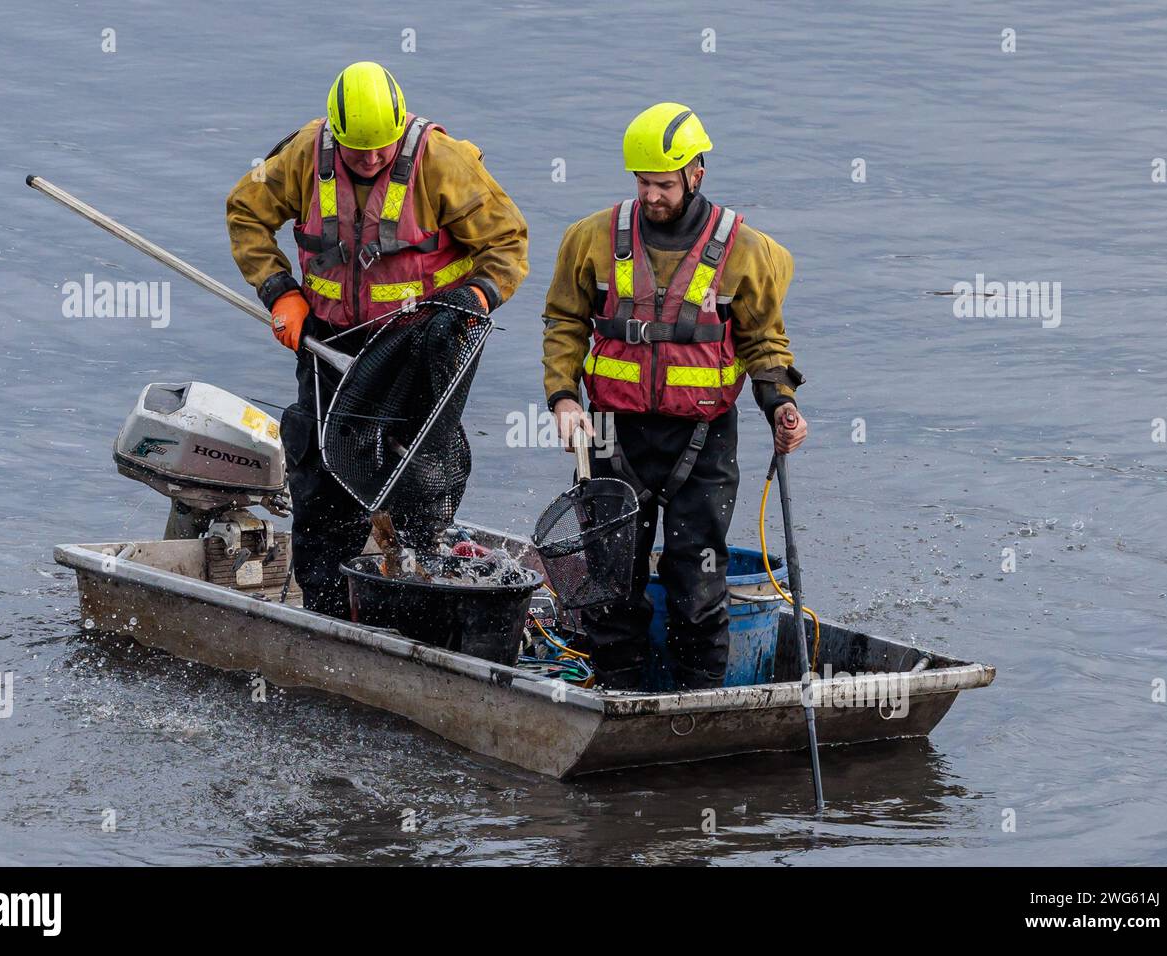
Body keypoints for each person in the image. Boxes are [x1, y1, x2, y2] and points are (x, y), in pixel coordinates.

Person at [226, 61, 529, 615]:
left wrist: (479, 296)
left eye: (380, 150)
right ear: (335, 133)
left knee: (414, 466)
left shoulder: (442, 162)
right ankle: (326, 606)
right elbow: (245, 212)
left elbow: (507, 242)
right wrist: (279, 291)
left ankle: (417, 592)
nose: (369, 161)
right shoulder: (303, 156)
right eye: (357, 151)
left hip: (422, 343)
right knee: (322, 468)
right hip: (330, 338)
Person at [541, 102, 808, 690]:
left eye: (663, 183)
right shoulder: (590, 240)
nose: (652, 195)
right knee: (613, 582)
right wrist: (563, 398)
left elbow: (764, 340)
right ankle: (618, 696)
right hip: (610, 434)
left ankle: (696, 704)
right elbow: (564, 322)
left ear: (696, 174)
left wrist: (780, 404)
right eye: (642, 182)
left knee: (698, 582)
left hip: (704, 439)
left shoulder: (746, 251)